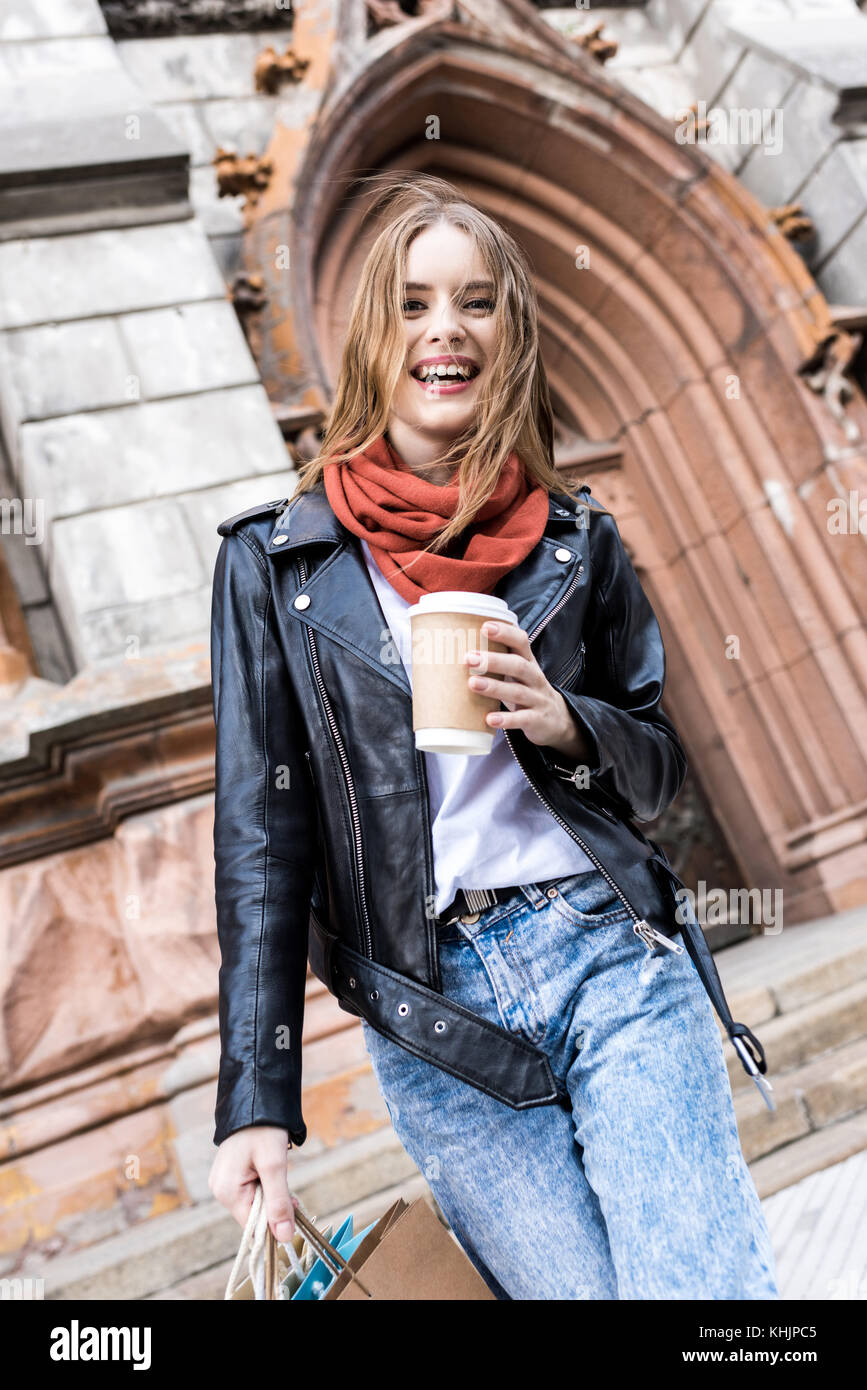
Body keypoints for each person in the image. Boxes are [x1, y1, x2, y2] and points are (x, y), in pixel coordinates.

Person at [208, 172, 779, 1300]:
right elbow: (260, 843)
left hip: (610, 951)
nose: (445, 330)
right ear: (373, 332)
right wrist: (254, 1104)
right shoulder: (274, 566)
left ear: (509, 334)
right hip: (437, 1013)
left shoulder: (577, 539)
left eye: (477, 303)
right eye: (414, 303)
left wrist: (567, 721)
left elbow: (659, 765)